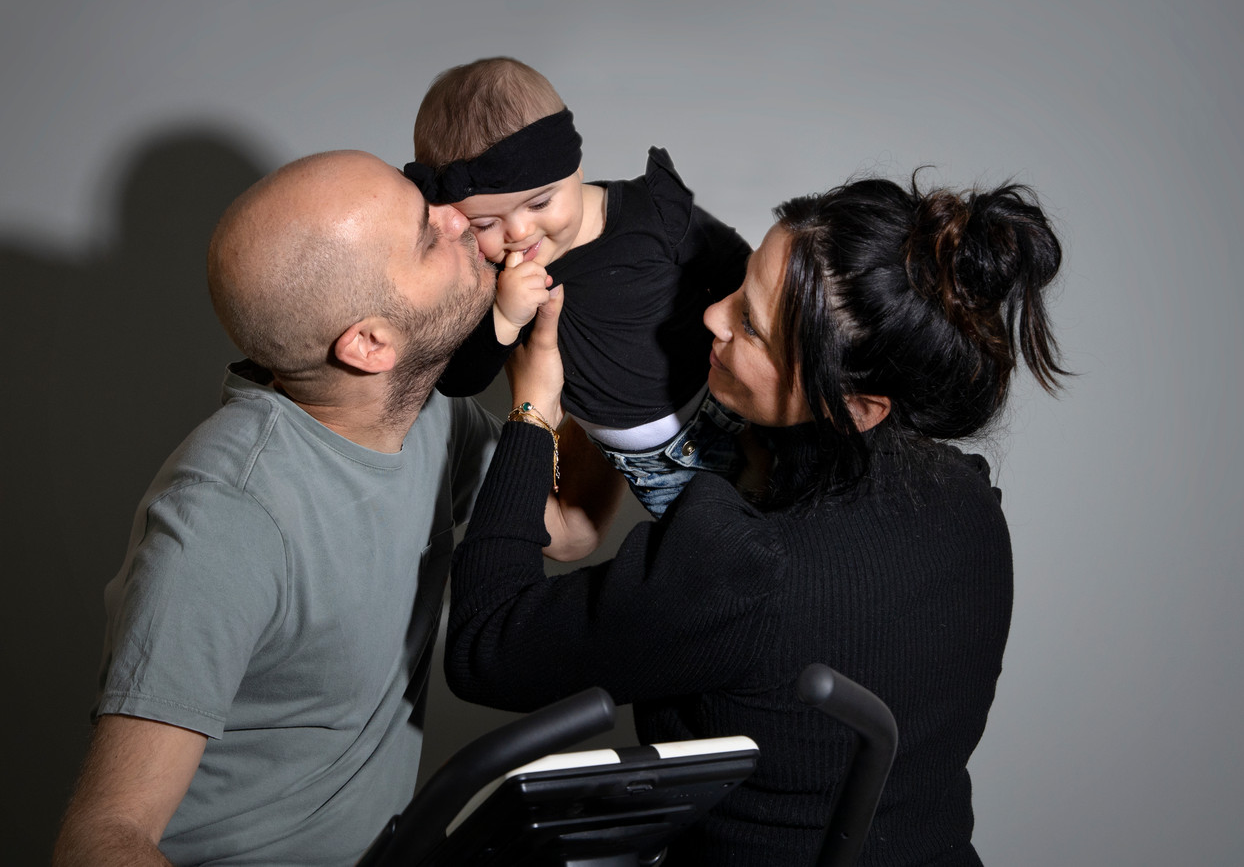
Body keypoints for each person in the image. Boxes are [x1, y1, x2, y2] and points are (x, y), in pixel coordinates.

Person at [446, 174, 1068, 865]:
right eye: (739, 285)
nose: (713, 314)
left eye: (750, 326)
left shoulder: (741, 564)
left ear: (857, 405)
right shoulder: (970, 500)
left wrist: (532, 409)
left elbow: (484, 648)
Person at [51, 150, 616, 867]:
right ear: (371, 343)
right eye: (425, 234)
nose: (458, 215)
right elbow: (102, 838)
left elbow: (566, 529)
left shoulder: (430, 418)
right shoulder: (226, 520)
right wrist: (535, 402)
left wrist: (607, 356)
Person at [404, 56, 753, 517]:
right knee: (727, 542)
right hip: (653, 468)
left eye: (540, 203)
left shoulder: (652, 213)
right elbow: (456, 379)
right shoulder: (497, 280)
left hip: (729, 398)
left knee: (800, 494)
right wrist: (505, 318)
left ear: (576, 168)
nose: (519, 231)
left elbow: (739, 268)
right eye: (487, 222)